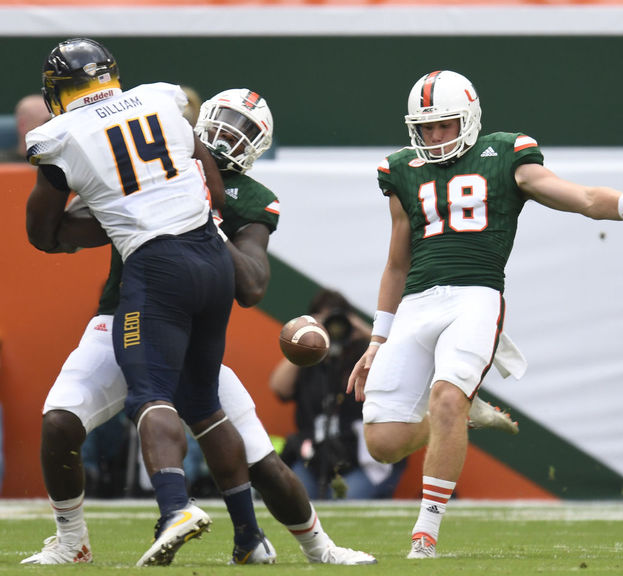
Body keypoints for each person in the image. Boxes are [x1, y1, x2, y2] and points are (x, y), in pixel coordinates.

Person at [22, 83, 375, 566]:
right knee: (60, 420)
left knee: (257, 455)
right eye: (223, 122)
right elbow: (64, 230)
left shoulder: (251, 199)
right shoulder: (148, 165)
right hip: (119, 318)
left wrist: (199, 218)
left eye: (244, 130)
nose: (228, 135)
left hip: (184, 327)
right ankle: (71, 541)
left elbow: (252, 286)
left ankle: (313, 547)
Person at [347, 70, 623, 559]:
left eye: (445, 125)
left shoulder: (507, 155)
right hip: (418, 303)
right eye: (426, 127)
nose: (435, 136)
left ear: (468, 119)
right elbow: (397, 263)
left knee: (446, 398)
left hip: (474, 296)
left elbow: (582, 198)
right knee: (382, 443)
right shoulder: (401, 170)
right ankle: (461, 413)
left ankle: (425, 535)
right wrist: (377, 340)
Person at [24, 38, 267, 567]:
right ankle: (250, 537)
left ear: (57, 92)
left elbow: (41, 234)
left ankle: (175, 508)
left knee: (150, 396)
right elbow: (211, 188)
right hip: (212, 261)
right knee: (204, 406)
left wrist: (104, 215)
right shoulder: (160, 98)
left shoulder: (59, 135)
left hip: (156, 271)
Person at [270, 289, 405, 500]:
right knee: (296, 500)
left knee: (342, 500)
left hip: (362, 459)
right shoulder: (308, 362)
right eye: (325, 323)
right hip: (314, 456)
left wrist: (365, 334)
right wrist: (307, 340)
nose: (333, 329)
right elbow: (279, 388)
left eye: (338, 322)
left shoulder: (365, 357)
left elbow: (399, 372)